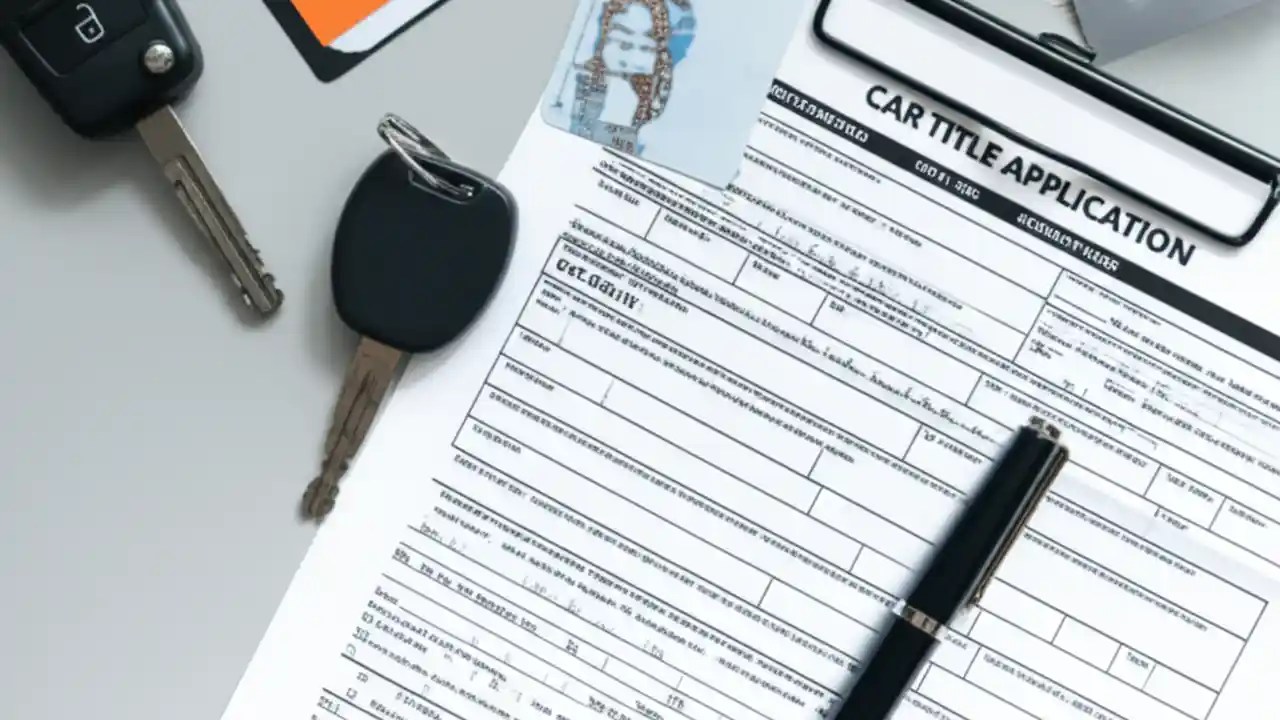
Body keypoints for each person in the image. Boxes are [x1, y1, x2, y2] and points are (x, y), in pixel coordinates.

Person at [568, 0, 695, 153]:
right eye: (623, 44)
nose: (634, 60)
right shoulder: (582, 84)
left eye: (646, 48)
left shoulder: (661, 110)